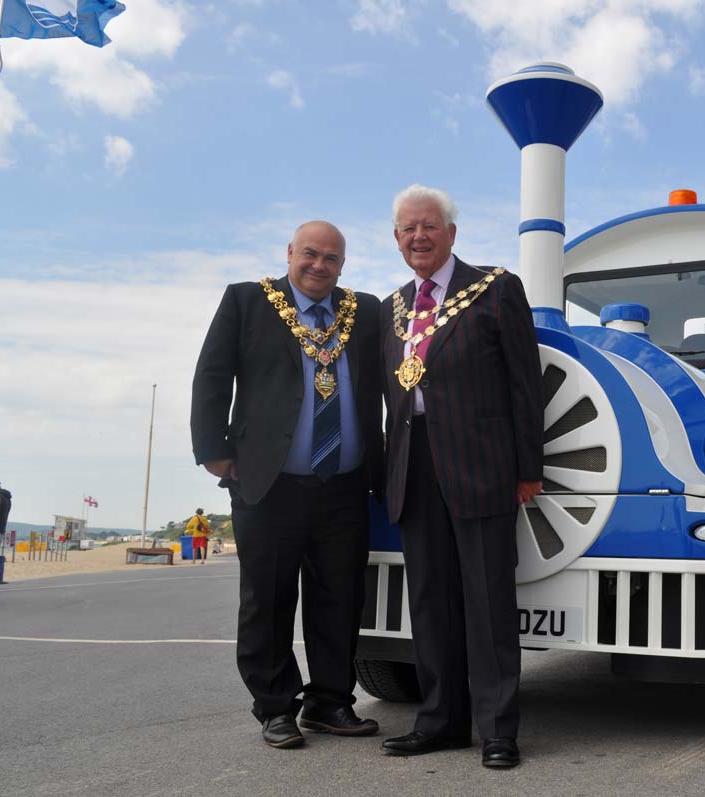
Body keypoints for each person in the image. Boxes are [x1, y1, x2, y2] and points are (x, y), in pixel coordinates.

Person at [191, 220, 385, 749]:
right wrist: (214, 452)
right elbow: (212, 375)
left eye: (331, 259)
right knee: (269, 600)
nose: (319, 266)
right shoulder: (247, 300)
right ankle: (276, 706)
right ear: (290, 253)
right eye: (310, 255)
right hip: (268, 483)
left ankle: (330, 702)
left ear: (343, 265)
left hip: (344, 484)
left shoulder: (364, 310)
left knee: (340, 599)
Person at [379, 185, 543, 769]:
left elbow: (526, 383)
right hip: (414, 465)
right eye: (407, 229)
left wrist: (528, 468)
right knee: (429, 600)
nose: (418, 237)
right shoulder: (391, 307)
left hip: (482, 465)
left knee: (487, 599)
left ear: (451, 232)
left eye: (428, 226)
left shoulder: (496, 288)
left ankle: (498, 730)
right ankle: (440, 721)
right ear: (396, 239)